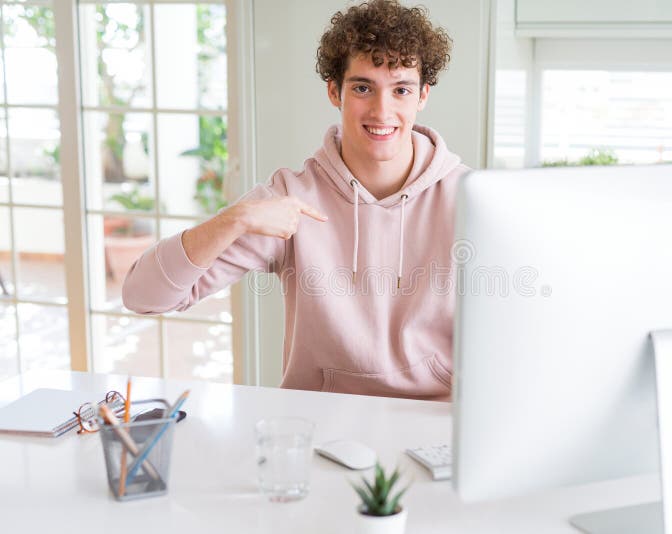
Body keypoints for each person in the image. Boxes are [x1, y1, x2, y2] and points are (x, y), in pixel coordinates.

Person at [122, 0, 468, 400]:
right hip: (319, 421)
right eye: (362, 88)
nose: (381, 110)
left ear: (422, 95)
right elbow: (142, 296)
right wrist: (233, 220)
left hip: (431, 424)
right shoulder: (291, 199)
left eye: (401, 89)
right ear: (334, 91)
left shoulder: (469, 200)